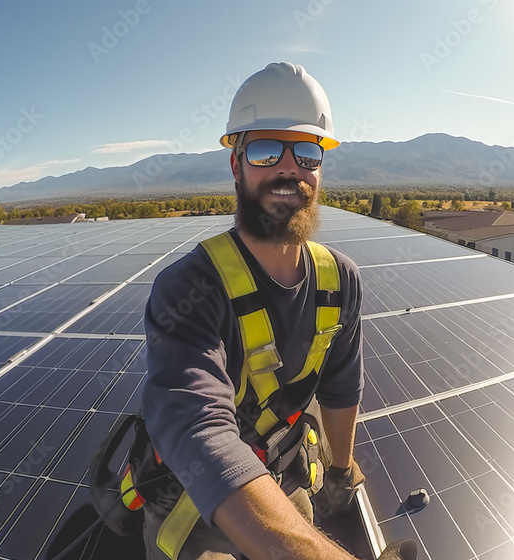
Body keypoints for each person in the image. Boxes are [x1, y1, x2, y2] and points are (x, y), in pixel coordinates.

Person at [141, 63, 411, 560]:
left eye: (307, 152)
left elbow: (340, 388)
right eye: (267, 150)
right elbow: (200, 431)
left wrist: (340, 471)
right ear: (236, 164)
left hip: (282, 479)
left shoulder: (339, 280)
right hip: (196, 505)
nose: (290, 168)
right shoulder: (189, 288)